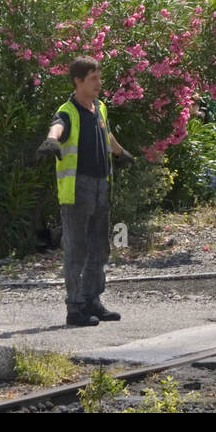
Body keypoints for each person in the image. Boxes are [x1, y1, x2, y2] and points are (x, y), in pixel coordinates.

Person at [36, 56, 135, 327]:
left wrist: (120, 152)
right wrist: (51, 140)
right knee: (77, 249)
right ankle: (75, 307)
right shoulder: (68, 111)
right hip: (77, 189)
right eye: (93, 79)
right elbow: (57, 126)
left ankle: (93, 300)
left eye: (99, 78)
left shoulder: (99, 108)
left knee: (99, 248)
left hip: (101, 185)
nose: (99, 84)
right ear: (78, 81)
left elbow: (107, 135)